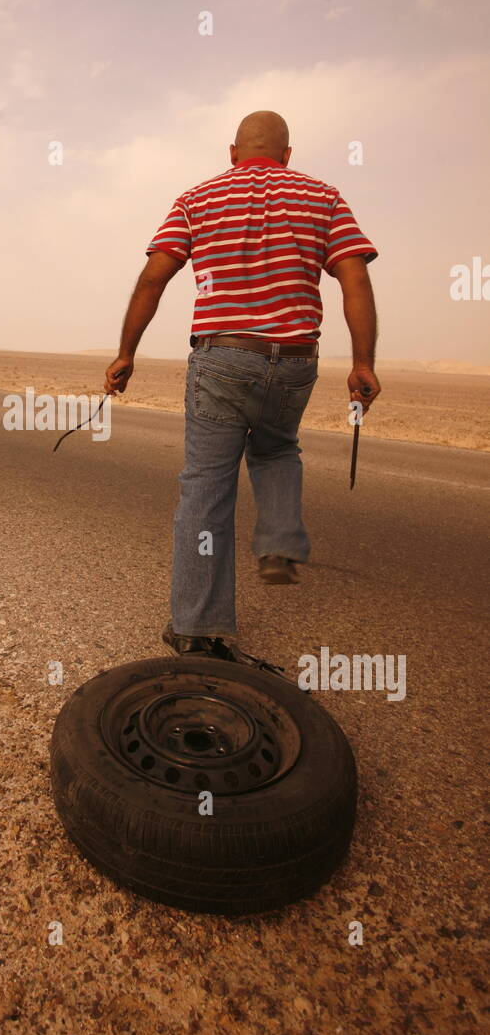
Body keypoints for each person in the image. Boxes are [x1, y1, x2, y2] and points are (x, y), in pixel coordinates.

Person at [104, 111, 380, 664]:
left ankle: (197, 628)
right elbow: (355, 277)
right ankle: (279, 543)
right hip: (296, 359)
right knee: (277, 450)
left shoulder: (197, 198)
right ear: (287, 153)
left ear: (233, 152)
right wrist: (363, 363)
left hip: (223, 357)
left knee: (206, 487)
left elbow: (154, 278)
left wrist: (126, 353)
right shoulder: (323, 197)